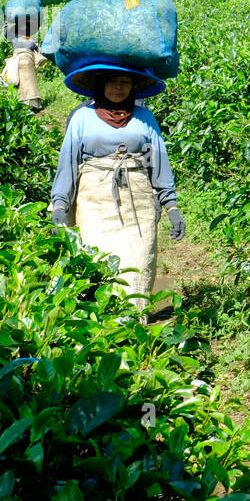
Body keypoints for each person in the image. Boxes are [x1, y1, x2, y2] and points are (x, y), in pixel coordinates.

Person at [50, 65, 186, 314]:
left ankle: (134, 328)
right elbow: (68, 163)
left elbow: (159, 162)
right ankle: (106, 330)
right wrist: (60, 203)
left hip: (139, 201)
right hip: (94, 201)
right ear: (101, 85)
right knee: (100, 262)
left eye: (124, 82)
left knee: (139, 261)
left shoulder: (145, 118)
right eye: (112, 81)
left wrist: (172, 206)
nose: (118, 87)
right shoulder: (82, 117)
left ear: (133, 86)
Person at [5, 0, 46, 112]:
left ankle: (23, 105)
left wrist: (6, 22)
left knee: (23, 83)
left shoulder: (14, 36)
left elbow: (5, 31)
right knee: (29, 83)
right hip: (24, 61)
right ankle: (31, 104)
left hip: (21, 61)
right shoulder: (28, 39)